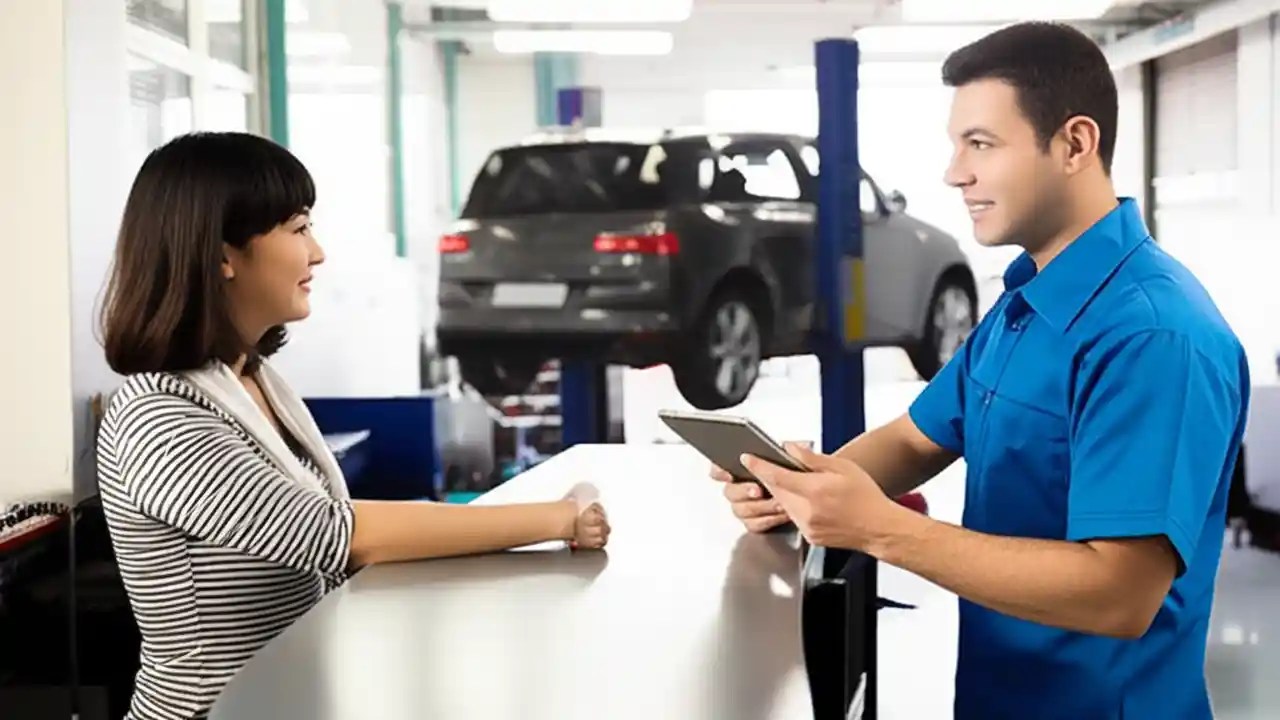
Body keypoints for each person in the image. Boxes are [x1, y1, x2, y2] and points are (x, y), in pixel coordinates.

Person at [713, 22, 1248, 720]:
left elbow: (1121, 593)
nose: (954, 171)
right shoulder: (1027, 301)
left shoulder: (1153, 336)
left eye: (981, 144)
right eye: (956, 144)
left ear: (1075, 145)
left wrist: (880, 529)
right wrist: (803, 487)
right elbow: (916, 438)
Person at [95, 131, 611, 720]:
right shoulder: (156, 414)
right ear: (221, 254)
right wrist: (557, 517)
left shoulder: (255, 380)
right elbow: (331, 535)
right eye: (298, 229)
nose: (317, 253)